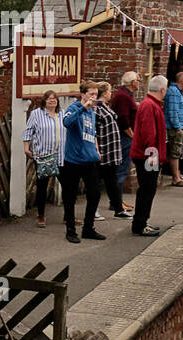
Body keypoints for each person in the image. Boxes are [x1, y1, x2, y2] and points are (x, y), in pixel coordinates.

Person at [59, 81, 103, 243]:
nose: (93, 98)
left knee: (94, 194)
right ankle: (71, 230)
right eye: (91, 94)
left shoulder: (92, 112)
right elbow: (66, 123)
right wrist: (83, 107)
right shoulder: (74, 108)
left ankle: (88, 228)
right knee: (70, 196)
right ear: (83, 94)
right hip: (73, 161)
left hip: (89, 160)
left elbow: (93, 132)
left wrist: (97, 150)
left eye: (95, 95)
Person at [130, 74, 168, 236]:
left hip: (148, 155)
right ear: (162, 89)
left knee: (147, 190)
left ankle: (142, 221)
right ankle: (140, 224)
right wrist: (153, 158)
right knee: (147, 190)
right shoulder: (149, 105)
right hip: (148, 156)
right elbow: (149, 134)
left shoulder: (150, 104)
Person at [23, 89, 63, 227]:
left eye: (54, 98)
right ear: (44, 101)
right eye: (49, 98)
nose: (52, 100)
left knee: (69, 186)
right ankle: (40, 216)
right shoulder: (36, 114)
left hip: (61, 156)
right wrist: (26, 147)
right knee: (42, 186)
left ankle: (68, 216)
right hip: (43, 156)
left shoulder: (62, 114)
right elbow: (28, 130)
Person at [94, 82, 129, 218]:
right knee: (97, 182)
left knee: (112, 181)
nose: (111, 93)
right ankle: (94, 210)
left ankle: (118, 208)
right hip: (103, 149)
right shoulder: (96, 109)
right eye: (109, 91)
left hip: (112, 150)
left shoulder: (105, 106)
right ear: (103, 93)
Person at [111, 70, 139, 204]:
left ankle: (118, 200)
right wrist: (132, 136)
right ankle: (117, 201)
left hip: (125, 136)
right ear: (133, 82)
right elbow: (123, 118)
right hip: (124, 137)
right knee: (121, 168)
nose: (139, 83)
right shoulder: (123, 96)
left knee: (123, 168)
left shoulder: (126, 95)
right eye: (138, 80)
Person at [165, 70, 183, 186]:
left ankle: (177, 176)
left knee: (176, 152)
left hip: (176, 127)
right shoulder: (174, 92)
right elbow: (172, 112)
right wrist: (178, 128)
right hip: (174, 128)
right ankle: (176, 178)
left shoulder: (175, 91)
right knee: (174, 153)